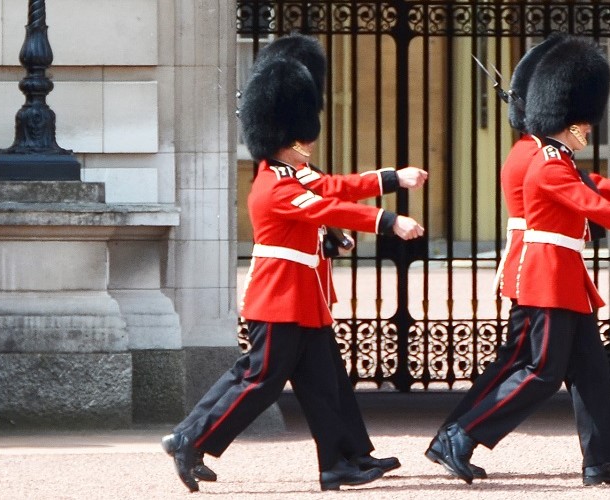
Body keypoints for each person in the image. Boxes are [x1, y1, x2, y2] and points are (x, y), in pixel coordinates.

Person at [160, 35, 427, 493]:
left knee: (326, 381)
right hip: (280, 298)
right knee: (259, 378)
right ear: (285, 135)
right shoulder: (275, 186)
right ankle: (190, 438)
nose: (308, 141)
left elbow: (336, 188)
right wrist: (388, 221)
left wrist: (391, 177)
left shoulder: (293, 174)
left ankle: (342, 460)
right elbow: (327, 209)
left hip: (304, 298)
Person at [424, 33, 610, 482]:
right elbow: (596, 204)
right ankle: (462, 435)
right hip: (546, 277)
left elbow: (595, 189)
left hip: (565, 277)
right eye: (584, 123)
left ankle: (606, 454)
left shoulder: (554, 158)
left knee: (590, 369)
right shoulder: (545, 162)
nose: (589, 129)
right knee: (540, 372)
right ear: (566, 119)